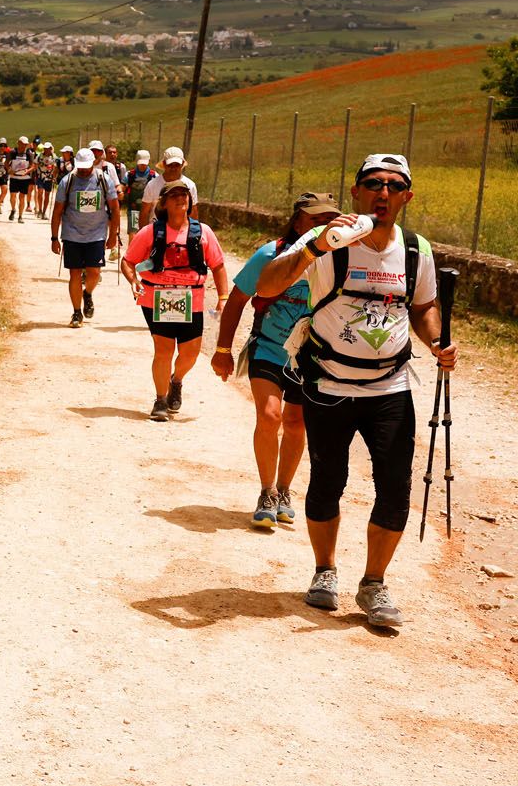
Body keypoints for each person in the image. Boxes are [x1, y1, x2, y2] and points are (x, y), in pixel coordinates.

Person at [248, 154, 458, 630]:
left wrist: (438, 341)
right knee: (327, 481)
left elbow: (423, 307)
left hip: (391, 386)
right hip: (329, 382)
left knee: (395, 487)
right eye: (373, 184)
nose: (383, 193)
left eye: (393, 185)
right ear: (357, 191)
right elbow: (267, 284)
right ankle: (325, 572)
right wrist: (313, 247)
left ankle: (374, 583)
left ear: (407, 195)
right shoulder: (329, 241)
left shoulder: (415, 249)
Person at [213, 192, 340, 529]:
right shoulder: (271, 255)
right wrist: (223, 351)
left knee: (296, 423)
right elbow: (239, 299)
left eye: (329, 220)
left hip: (309, 355)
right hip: (268, 346)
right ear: (298, 220)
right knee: (269, 416)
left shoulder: (339, 260)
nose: (323, 226)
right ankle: (267, 491)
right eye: (316, 219)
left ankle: (285, 490)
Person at [119, 179, 229, 422]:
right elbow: (128, 261)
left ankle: (176, 380)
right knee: (164, 350)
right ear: (165, 203)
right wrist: (134, 281)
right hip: (157, 297)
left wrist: (223, 297)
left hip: (192, 299)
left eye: (185, 194)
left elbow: (218, 266)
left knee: (190, 354)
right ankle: (160, 399)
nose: (181, 198)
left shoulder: (203, 232)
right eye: (175, 195)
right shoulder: (151, 232)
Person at [50, 147, 121, 327]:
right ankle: (76, 313)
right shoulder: (68, 181)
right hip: (72, 233)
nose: (82, 170)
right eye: (80, 166)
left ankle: (87, 293)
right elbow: (57, 211)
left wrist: (113, 235)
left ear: (93, 164)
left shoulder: (103, 180)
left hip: (96, 234)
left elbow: (115, 208)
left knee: (94, 272)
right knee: (74, 273)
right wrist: (54, 238)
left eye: (86, 166)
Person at [139, 146, 200, 225]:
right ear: (164, 164)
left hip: (180, 232)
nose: (173, 168)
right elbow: (144, 212)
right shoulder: (152, 185)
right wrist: (144, 234)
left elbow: (193, 212)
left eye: (177, 165)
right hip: (156, 232)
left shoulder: (190, 185)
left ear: (182, 164)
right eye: (170, 165)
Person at [124, 149, 157, 238]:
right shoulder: (129, 175)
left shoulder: (154, 175)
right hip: (133, 208)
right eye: (140, 163)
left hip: (148, 210)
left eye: (145, 163)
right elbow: (122, 187)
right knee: (133, 234)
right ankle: (132, 251)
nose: (142, 166)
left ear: (148, 161)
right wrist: (120, 192)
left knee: (148, 234)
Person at [5, 143, 34, 221]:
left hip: (25, 178)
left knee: (22, 197)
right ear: (18, 143)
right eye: (22, 144)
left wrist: (27, 171)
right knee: (12, 196)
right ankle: (13, 209)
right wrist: (9, 169)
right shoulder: (13, 152)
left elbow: (32, 166)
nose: (24, 146)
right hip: (14, 177)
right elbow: (6, 163)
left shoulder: (29, 154)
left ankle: (20, 216)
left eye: (25, 144)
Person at [32, 145, 58, 220]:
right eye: (45, 148)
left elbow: (56, 167)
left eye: (48, 148)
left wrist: (54, 177)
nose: (46, 150)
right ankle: (39, 210)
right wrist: (34, 170)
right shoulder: (40, 156)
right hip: (40, 177)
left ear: (50, 149)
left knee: (47, 195)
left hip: (49, 178)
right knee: (40, 192)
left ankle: (44, 212)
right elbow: (35, 164)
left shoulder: (54, 157)